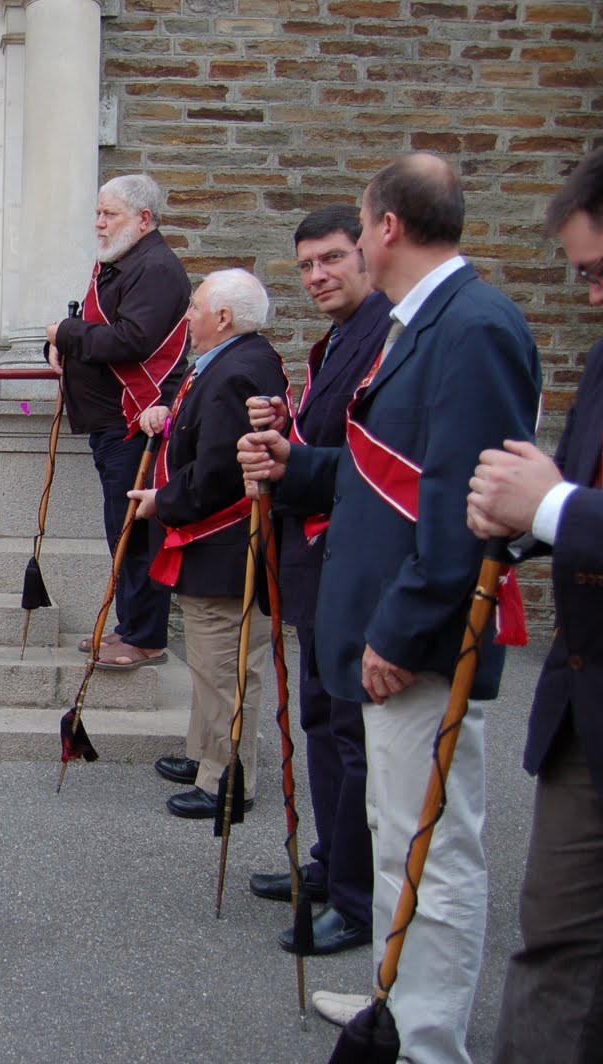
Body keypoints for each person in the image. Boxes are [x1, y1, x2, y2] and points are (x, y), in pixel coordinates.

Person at [239, 153, 541, 1062]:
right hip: (380, 626)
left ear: (386, 228)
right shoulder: (422, 324)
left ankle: (429, 1043)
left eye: (358, 229)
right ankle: (396, 1001)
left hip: (419, 643)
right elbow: (382, 478)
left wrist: (400, 634)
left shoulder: (473, 326)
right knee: (393, 833)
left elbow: (464, 505)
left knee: (433, 851)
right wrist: (301, 468)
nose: (353, 247)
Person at [475, 147, 603, 1064]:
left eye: (598, 274)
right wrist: (526, 523)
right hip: (584, 711)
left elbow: (569, 495)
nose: (589, 297)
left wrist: (551, 505)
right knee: (556, 942)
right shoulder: (601, 359)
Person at [240, 204, 388, 957]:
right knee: (321, 726)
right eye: (305, 265)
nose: (317, 276)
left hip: (351, 560)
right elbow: (324, 435)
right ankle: (330, 864)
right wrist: (284, 419)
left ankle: (358, 899)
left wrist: (292, 455)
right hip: (313, 555)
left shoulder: (387, 335)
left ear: (369, 251)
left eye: (332, 258)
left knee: (348, 734)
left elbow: (370, 463)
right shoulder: (335, 342)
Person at [128, 269, 286, 820]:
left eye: (194, 307)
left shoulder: (237, 371)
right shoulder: (230, 361)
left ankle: (228, 780)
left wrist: (162, 502)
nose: (187, 316)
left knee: (227, 665)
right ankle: (205, 755)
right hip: (216, 547)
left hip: (226, 546)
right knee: (208, 661)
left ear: (223, 318)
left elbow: (220, 469)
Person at [46, 173, 189, 672]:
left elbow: (129, 340)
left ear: (144, 219)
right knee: (121, 531)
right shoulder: (121, 263)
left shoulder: (157, 268)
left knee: (135, 534)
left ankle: (145, 638)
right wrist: (59, 342)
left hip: (135, 419)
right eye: (99, 213)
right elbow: (96, 325)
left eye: (111, 214)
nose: (100, 223)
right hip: (112, 421)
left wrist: (64, 332)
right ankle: (131, 627)